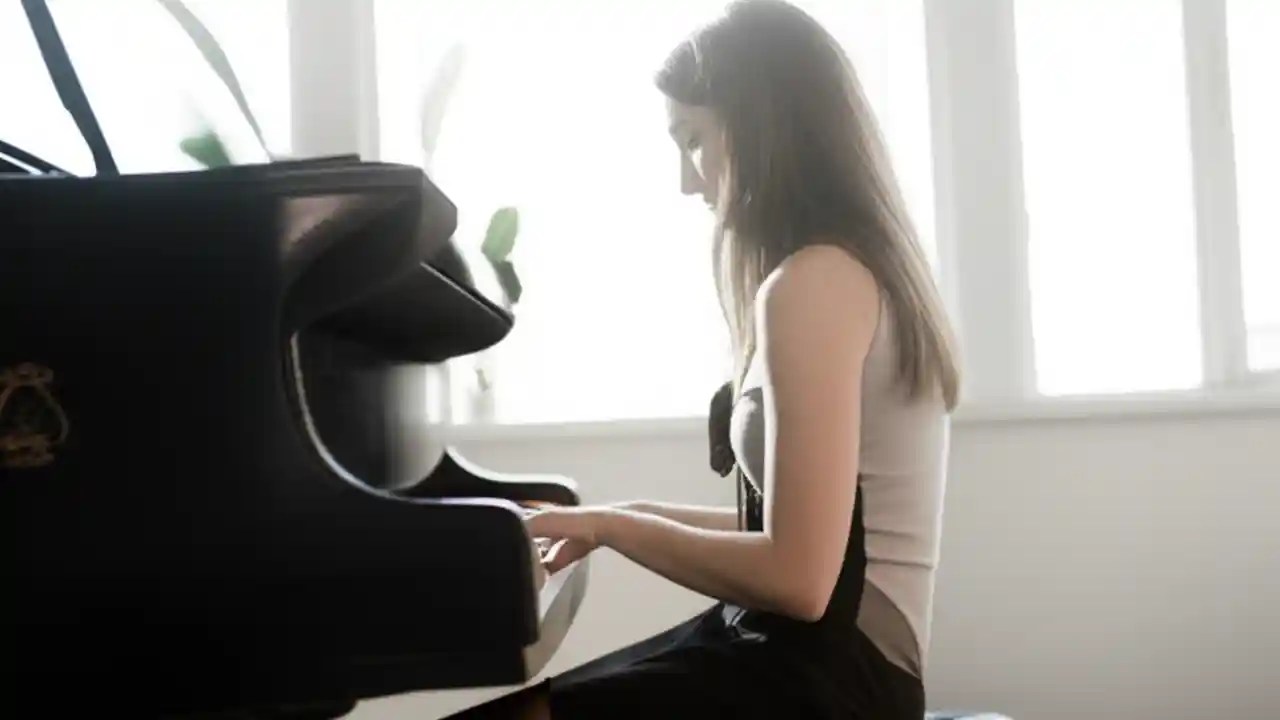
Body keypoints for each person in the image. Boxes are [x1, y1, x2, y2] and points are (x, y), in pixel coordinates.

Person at [449, 1, 959, 717]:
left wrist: (610, 529)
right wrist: (609, 514)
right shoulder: (844, 271)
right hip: (803, 652)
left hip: (828, 678)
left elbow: (801, 580)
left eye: (692, 139)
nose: (689, 181)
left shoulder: (814, 283)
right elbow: (795, 540)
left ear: (762, 123)